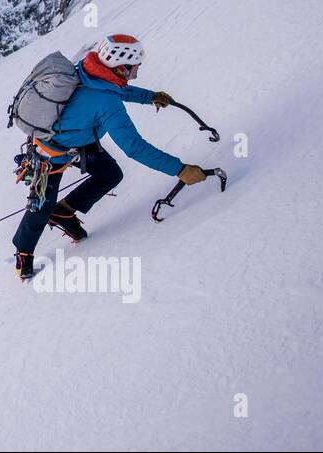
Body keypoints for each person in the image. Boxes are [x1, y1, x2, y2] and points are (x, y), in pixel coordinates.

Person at [14, 33, 207, 280]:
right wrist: (180, 169)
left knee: (109, 174)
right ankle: (23, 252)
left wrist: (150, 97)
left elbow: (114, 90)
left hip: (76, 140)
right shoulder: (107, 104)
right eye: (134, 67)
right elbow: (134, 147)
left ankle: (64, 211)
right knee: (41, 204)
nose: (136, 72)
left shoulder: (89, 68)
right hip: (52, 150)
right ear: (121, 68)